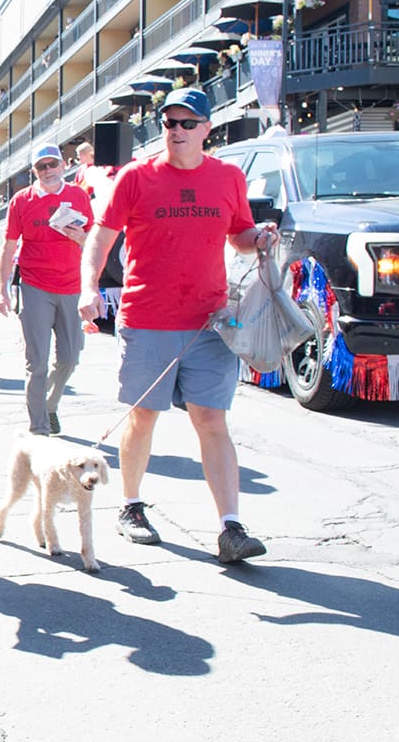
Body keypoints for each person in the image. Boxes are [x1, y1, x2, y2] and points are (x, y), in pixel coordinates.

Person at [79, 86, 277, 564]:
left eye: (189, 123)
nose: (178, 131)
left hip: (210, 320)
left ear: (207, 129)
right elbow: (100, 238)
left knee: (211, 419)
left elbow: (240, 236)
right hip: (147, 317)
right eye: (171, 123)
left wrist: (260, 237)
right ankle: (131, 506)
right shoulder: (136, 177)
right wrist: (88, 289)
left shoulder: (227, 177)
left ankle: (231, 527)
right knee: (144, 416)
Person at [1, 142, 95, 437]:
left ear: (63, 165)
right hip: (34, 287)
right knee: (37, 362)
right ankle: (39, 428)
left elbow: (93, 240)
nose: (48, 171)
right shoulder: (21, 200)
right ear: (34, 172)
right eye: (42, 167)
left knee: (70, 357)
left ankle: (50, 405)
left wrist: (81, 238)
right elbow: (9, 246)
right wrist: (3, 288)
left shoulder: (78, 195)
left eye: (52, 164)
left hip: (71, 286)